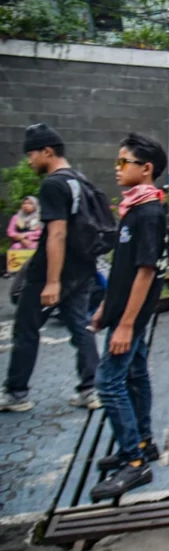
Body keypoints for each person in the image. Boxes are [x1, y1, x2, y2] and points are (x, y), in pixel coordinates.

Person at [88, 134, 168, 500]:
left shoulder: (149, 211)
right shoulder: (133, 208)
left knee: (108, 383)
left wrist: (125, 322)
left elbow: (146, 271)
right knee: (135, 376)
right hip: (122, 311)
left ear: (145, 168)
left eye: (123, 162)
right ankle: (142, 442)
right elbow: (123, 268)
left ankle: (134, 463)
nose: (117, 169)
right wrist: (108, 306)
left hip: (132, 316)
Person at [1, 124, 101, 413]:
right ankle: (90, 389)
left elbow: (57, 233)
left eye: (31, 154)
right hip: (82, 269)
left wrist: (52, 281)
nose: (29, 161)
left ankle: (17, 393)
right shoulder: (79, 181)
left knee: (26, 329)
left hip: (52, 271)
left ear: (47, 151)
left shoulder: (53, 184)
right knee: (80, 326)